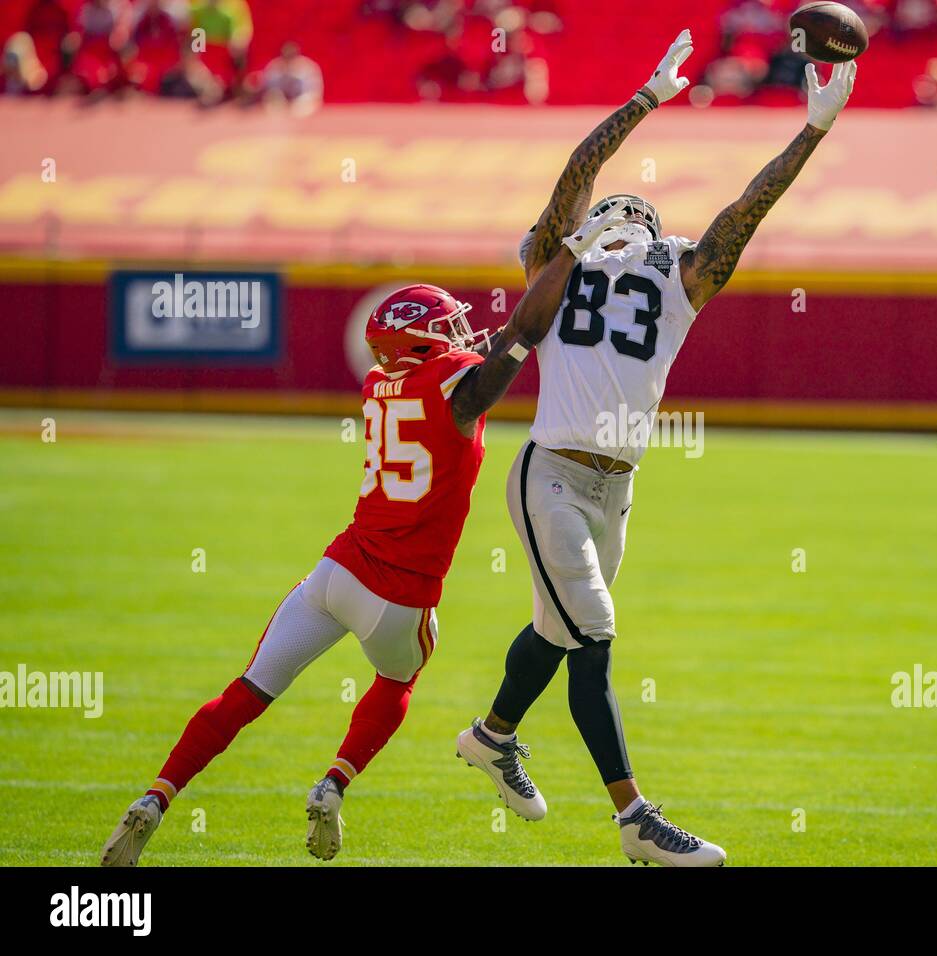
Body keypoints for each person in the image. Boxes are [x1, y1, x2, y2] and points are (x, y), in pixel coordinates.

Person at [98, 211, 626, 866]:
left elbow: (472, 355)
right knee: (397, 683)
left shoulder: (378, 385)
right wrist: (565, 259)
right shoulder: (452, 389)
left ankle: (158, 794)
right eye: (447, 329)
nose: (461, 333)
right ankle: (334, 781)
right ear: (427, 344)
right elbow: (513, 343)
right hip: (399, 596)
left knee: (244, 693)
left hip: (336, 572)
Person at [456, 30, 856, 866]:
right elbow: (574, 177)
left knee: (558, 634)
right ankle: (637, 820)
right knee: (594, 630)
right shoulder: (557, 266)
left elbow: (746, 211)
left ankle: (492, 737)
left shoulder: (677, 281)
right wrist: (643, 101)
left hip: (616, 491)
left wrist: (813, 131)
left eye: (639, 215)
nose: (626, 217)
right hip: (552, 474)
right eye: (610, 213)